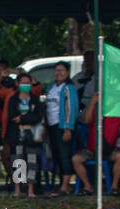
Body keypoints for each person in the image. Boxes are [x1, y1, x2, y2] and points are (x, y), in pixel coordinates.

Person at [4, 74, 43, 198]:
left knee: (32, 161)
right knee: (18, 161)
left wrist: (22, 118)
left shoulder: (35, 99)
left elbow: (37, 116)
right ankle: (17, 189)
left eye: (28, 83)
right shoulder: (13, 99)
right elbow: (11, 116)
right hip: (16, 134)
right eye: (23, 82)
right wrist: (26, 118)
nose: (25, 85)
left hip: (32, 135)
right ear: (17, 84)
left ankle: (30, 189)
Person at [44, 61, 79, 196]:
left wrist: (68, 128)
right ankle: (60, 183)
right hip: (52, 126)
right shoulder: (52, 87)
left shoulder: (68, 88)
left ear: (68, 72)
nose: (59, 73)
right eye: (57, 70)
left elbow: (71, 109)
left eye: (62, 70)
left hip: (62, 126)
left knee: (64, 155)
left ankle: (65, 186)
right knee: (56, 155)